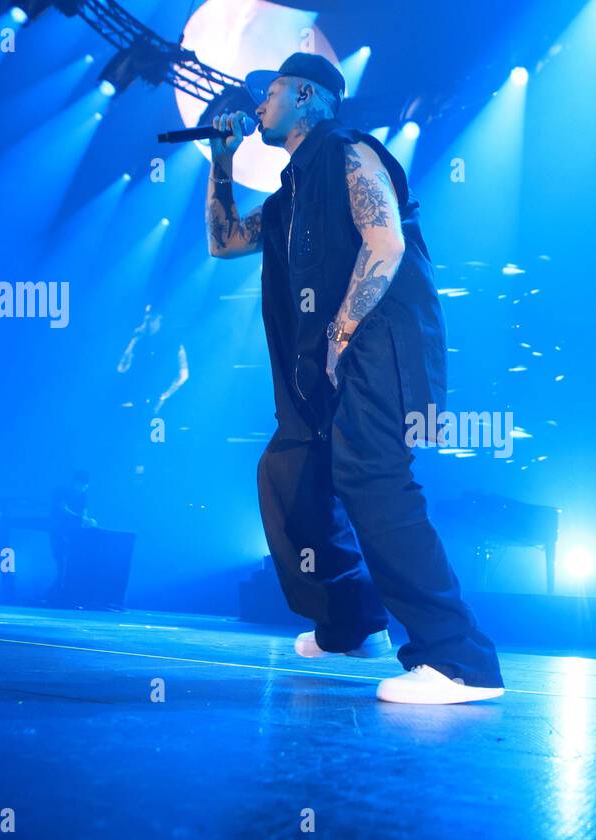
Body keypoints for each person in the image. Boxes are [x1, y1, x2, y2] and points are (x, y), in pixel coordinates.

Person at [205, 52, 503, 703]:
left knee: (374, 476)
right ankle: (348, 621)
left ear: (308, 96)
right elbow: (225, 242)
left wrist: (341, 331)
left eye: (273, 90)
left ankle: (460, 661)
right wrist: (220, 162)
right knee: (289, 468)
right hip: (323, 366)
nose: (260, 104)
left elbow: (386, 241)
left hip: (379, 346)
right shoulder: (289, 195)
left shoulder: (347, 152)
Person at [48, 470, 96, 605]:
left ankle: (56, 593)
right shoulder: (62, 491)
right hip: (58, 530)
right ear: (76, 483)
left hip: (72, 533)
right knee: (62, 562)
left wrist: (87, 520)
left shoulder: (83, 495)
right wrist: (80, 518)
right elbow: (62, 508)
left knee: (70, 564)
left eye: (86, 486)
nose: (83, 489)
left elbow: (84, 511)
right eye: (82, 485)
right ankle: (55, 594)